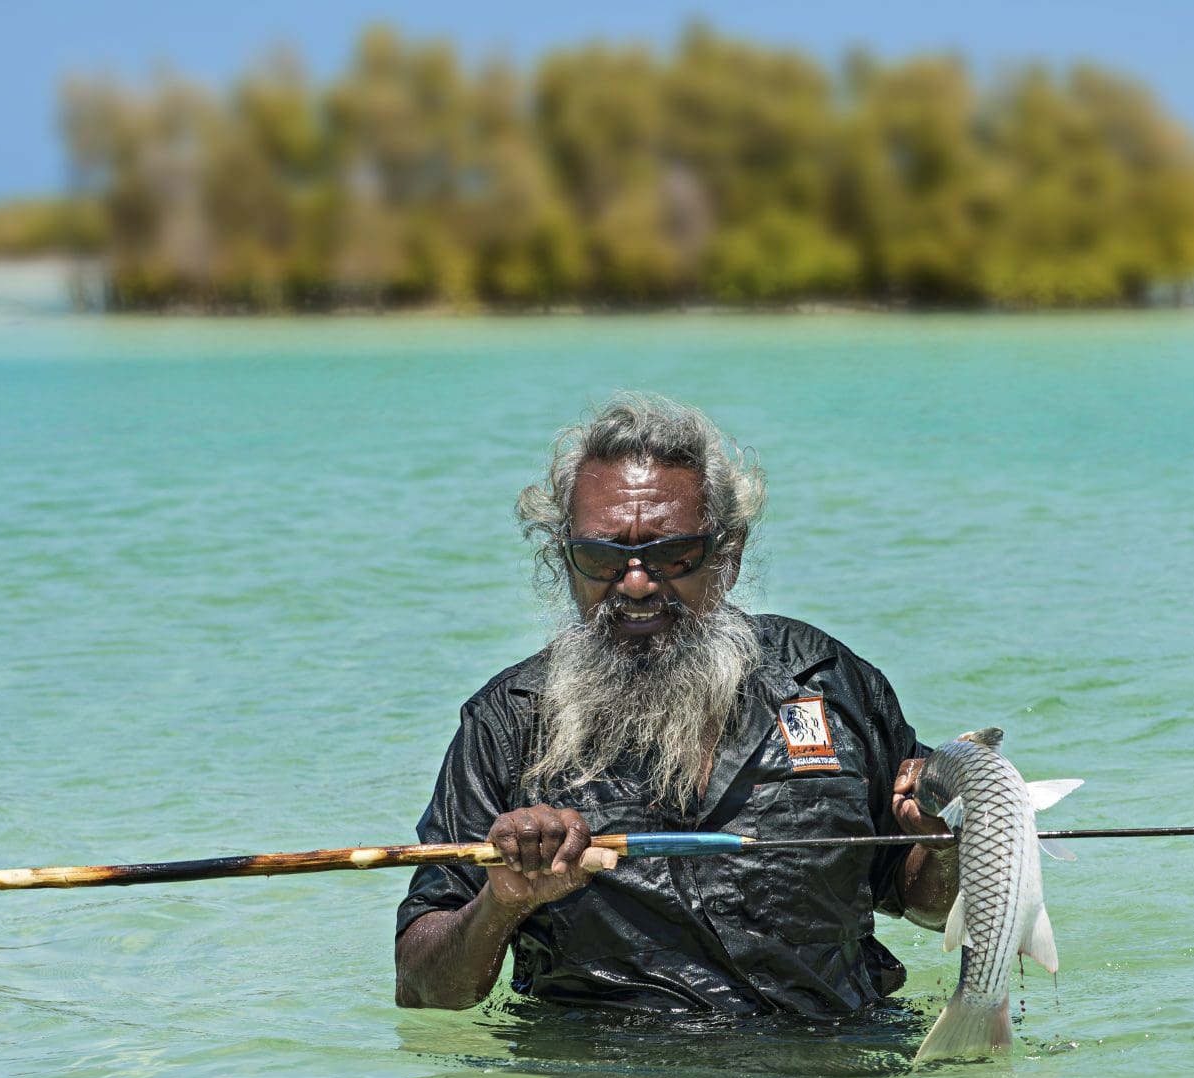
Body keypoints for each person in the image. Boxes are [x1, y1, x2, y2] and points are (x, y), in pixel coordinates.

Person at [394, 395, 957, 1017]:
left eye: (672, 555)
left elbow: (925, 902)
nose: (636, 583)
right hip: (606, 1064)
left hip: (838, 1049)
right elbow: (422, 988)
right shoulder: (508, 722)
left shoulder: (828, 682)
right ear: (564, 559)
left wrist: (943, 846)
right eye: (601, 557)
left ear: (729, 553)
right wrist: (502, 902)